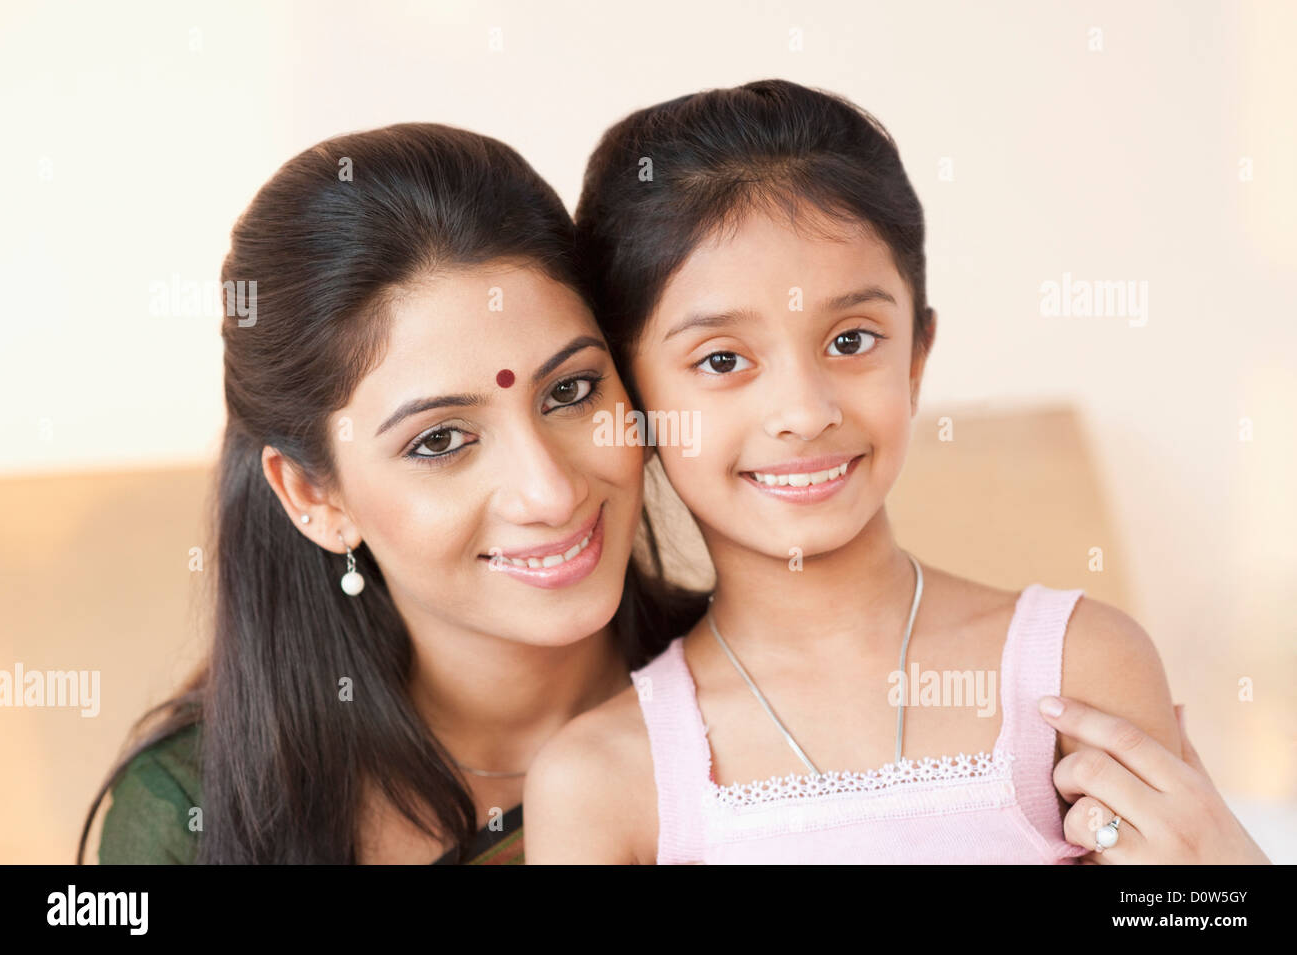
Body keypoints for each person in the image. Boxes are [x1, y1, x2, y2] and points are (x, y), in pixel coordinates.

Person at [523, 79, 1273, 864]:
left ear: (917, 356)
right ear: (635, 403)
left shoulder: (1079, 665)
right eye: (721, 359)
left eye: (851, 340)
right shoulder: (601, 780)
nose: (805, 411)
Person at [78, 122, 704, 864]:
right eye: (439, 440)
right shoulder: (198, 810)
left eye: (570, 390)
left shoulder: (774, 711)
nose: (551, 489)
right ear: (315, 496)